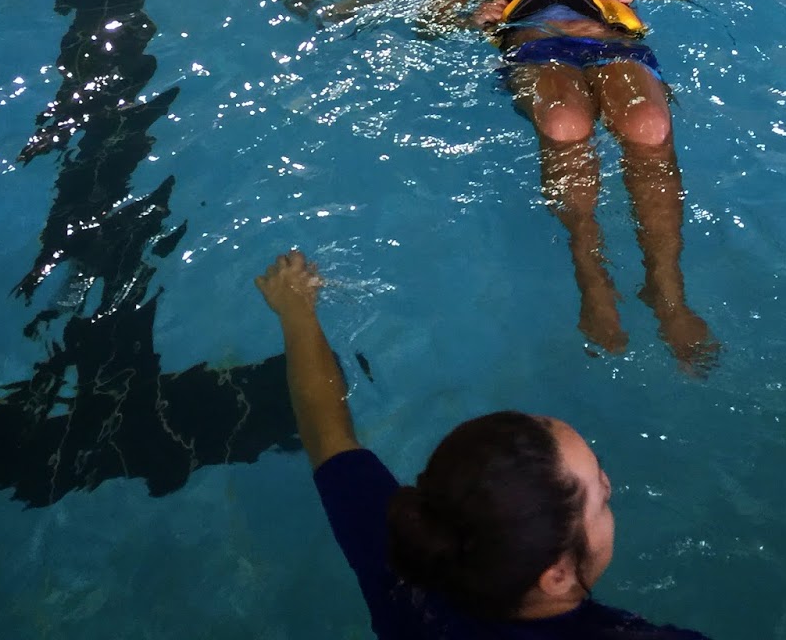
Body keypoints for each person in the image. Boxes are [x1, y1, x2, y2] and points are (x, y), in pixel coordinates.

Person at [255, 251, 715, 638]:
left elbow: (326, 432)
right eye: (602, 495)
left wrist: (297, 314)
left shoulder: (408, 570)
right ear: (556, 575)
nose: (610, 484)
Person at [474, 0, 717, 362]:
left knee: (649, 124)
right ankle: (591, 270)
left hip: (609, 44)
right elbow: (431, 17)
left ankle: (666, 284)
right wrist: (472, 14)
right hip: (537, 50)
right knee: (564, 121)